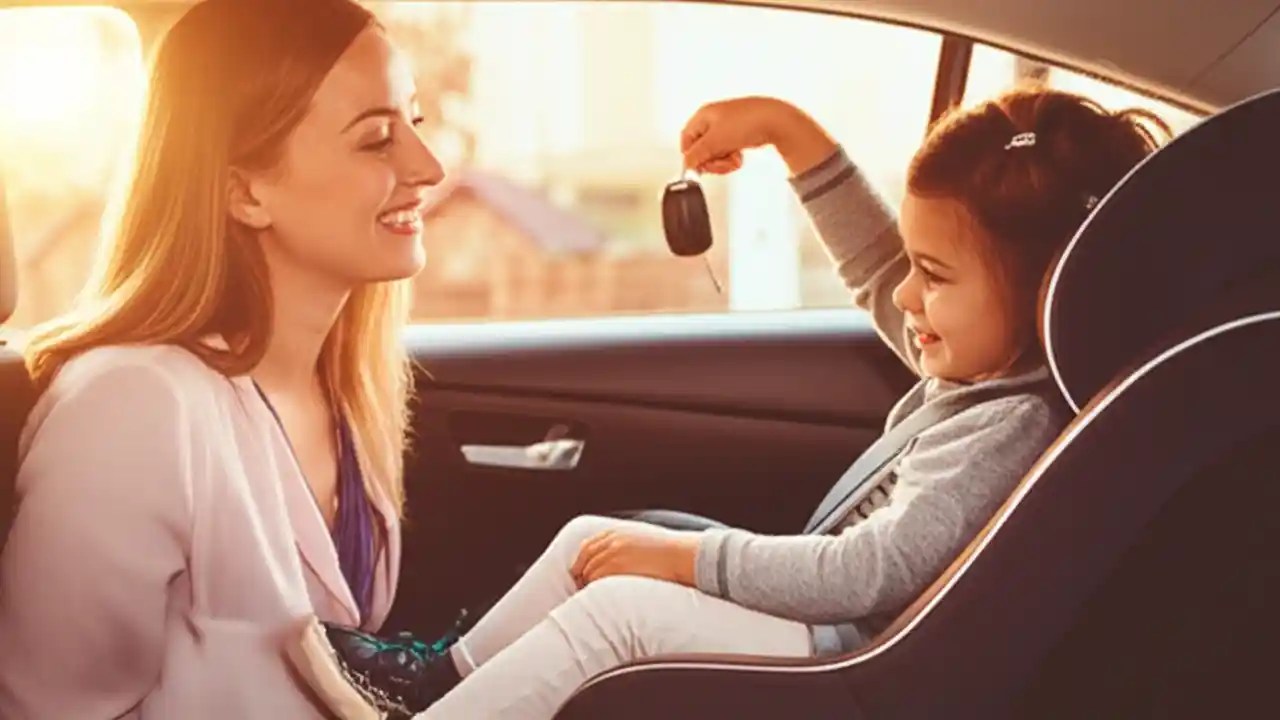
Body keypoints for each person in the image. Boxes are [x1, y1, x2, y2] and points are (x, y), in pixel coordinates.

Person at [312, 87, 1171, 719]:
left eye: (935, 275)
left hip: (863, 657)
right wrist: (790, 134)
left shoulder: (1010, 423)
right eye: (916, 268)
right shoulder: (982, 362)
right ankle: (435, 685)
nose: (907, 296)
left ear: (1050, 295)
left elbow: (869, 573)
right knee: (589, 542)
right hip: (841, 627)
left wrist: (684, 561)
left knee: (618, 611)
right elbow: (877, 269)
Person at [0, 0, 444, 717]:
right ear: (244, 191)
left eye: (415, 123)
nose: (430, 167)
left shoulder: (341, 388)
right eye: (376, 140)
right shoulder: (132, 407)